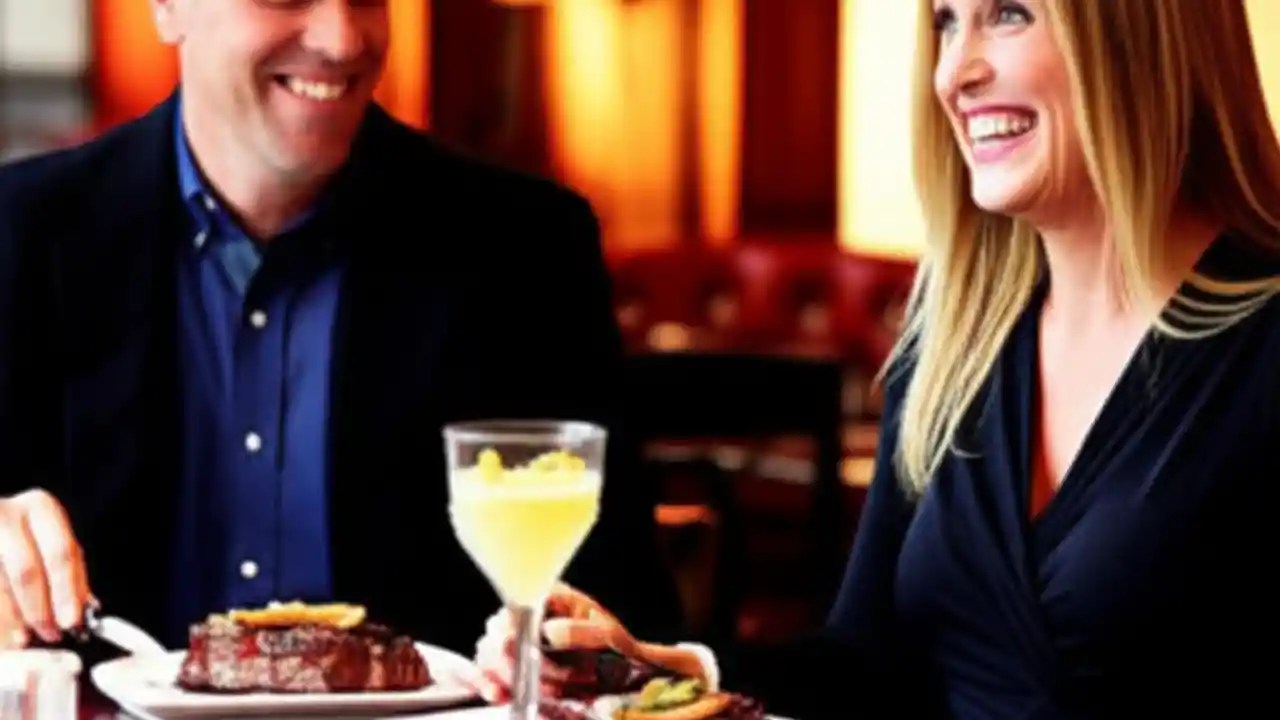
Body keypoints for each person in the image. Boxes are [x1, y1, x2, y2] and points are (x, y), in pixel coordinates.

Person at [474, 0, 1280, 716]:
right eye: (944, 21)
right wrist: (656, 672)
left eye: (1009, 13)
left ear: (1144, 29)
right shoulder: (952, 334)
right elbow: (864, 664)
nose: (955, 72)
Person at [0, 0, 679, 656]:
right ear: (168, 7)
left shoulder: (527, 249)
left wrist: (582, 656)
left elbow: (633, 631)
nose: (343, 39)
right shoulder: (17, 234)